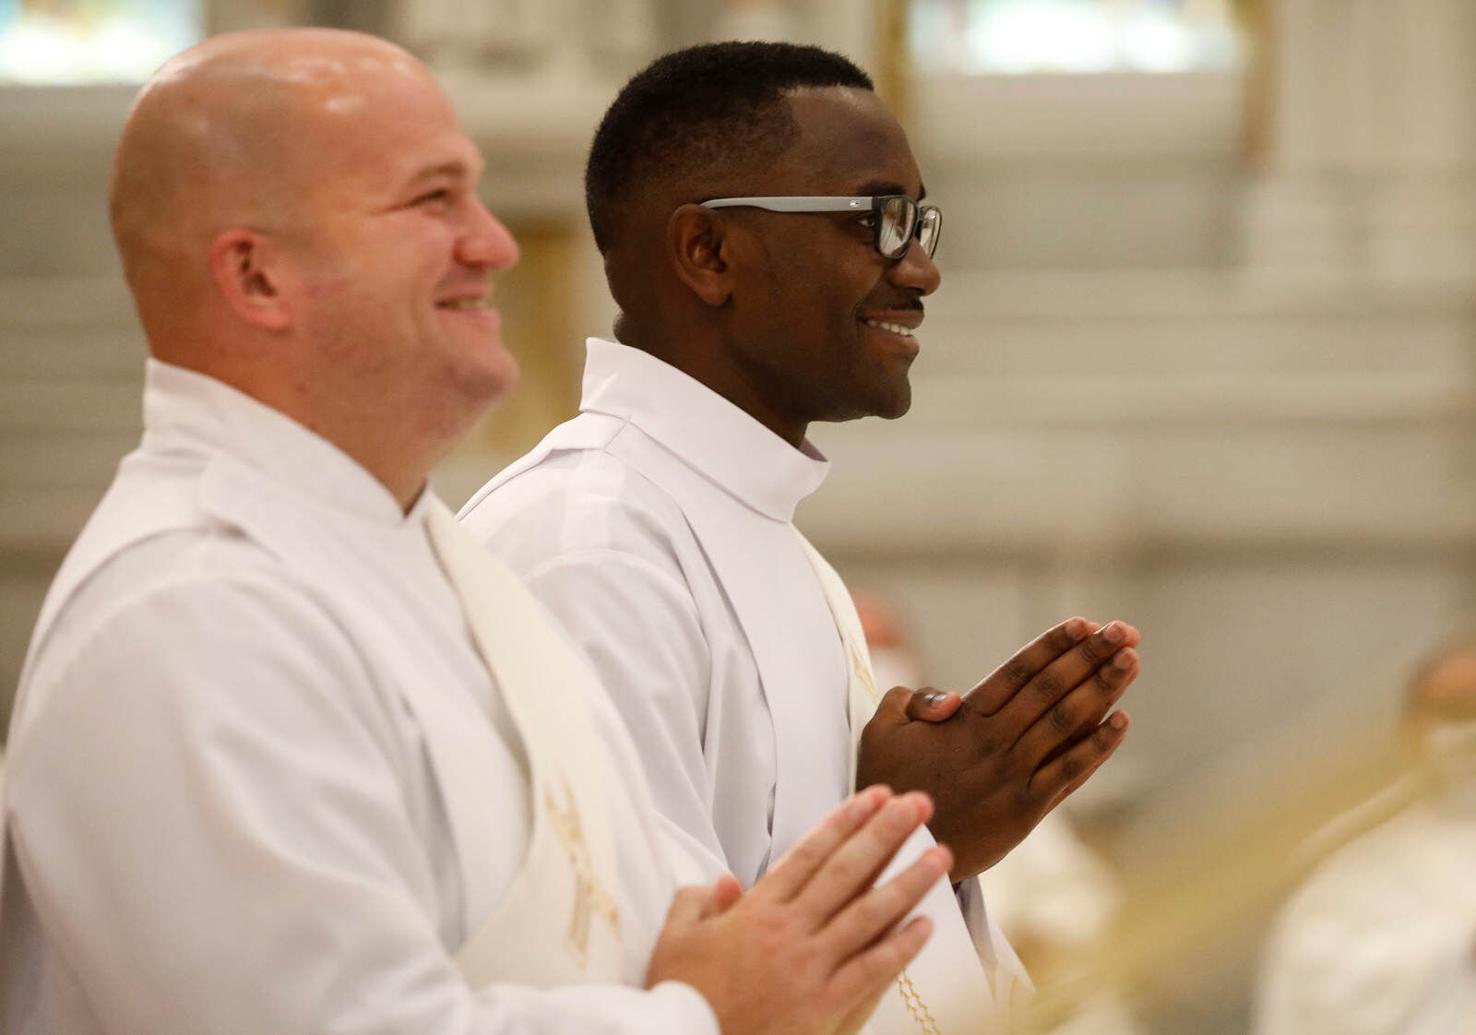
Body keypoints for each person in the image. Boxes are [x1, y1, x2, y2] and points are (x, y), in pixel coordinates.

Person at [0, 28, 954, 1035]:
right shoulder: (192, 611)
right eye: (431, 200)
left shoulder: (410, 554)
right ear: (257, 278)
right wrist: (700, 1017)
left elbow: (637, 914)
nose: (495, 244)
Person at [460, 40, 1141, 1029]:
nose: (922, 268)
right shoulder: (592, 545)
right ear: (709, 253)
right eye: (876, 220)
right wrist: (915, 830)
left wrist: (934, 846)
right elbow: (636, 983)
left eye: (919, 220)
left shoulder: (765, 543)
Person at [1253, 637, 1476, 1035]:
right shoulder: (1355, 863)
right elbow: (1309, 990)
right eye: (1457, 712)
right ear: (1411, 727)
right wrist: (1454, 949)